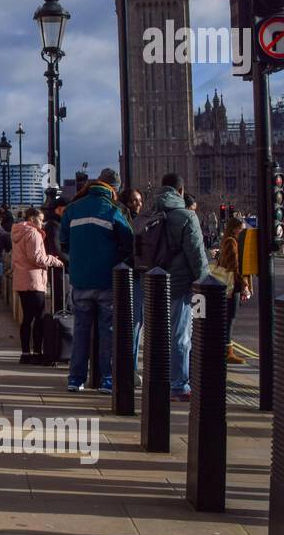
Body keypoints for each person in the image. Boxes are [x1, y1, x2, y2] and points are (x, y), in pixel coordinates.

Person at [59, 168, 133, 393]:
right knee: (107, 332)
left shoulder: (72, 210)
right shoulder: (114, 210)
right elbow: (129, 243)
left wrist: (79, 260)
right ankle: (107, 380)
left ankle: (75, 379)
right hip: (106, 281)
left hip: (80, 280)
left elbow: (63, 244)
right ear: (113, 189)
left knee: (81, 331)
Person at [152, 171, 210, 401]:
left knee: (159, 335)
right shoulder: (187, 216)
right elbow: (198, 256)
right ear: (181, 191)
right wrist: (206, 289)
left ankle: (160, 379)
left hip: (154, 285)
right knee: (182, 336)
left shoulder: (150, 212)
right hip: (183, 287)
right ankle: (179, 384)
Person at [11, 206, 63, 364]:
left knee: (27, 318)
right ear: (33, 219)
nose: (43, 223)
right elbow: (37, 258)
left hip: (21, 279)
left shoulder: (18, 232)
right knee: (39, 317)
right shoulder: (33, 233)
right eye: (41, 220)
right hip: (33, 280)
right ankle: (37, 352)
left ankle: (25, 353)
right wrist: (54, 260)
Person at [214, 214, 251, 365]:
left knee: (228, 318)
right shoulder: (231, 243)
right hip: (232, 285)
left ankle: (225, 349)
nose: (242, 232)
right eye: (241, 230)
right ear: (234, 229)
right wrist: (244, 286)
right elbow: (234, 267)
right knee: (230, 318)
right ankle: (227, 352)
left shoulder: (230, 241)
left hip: (230, 285)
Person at [121, 187, 146, 378]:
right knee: (134, 324)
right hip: (132, 277)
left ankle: (127, 368)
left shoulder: (136, 219)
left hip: (131, 275)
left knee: (135, 324)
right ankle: (129, 370)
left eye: (140, 201)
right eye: (134, 201)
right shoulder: (130, 221)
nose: (138, 204)